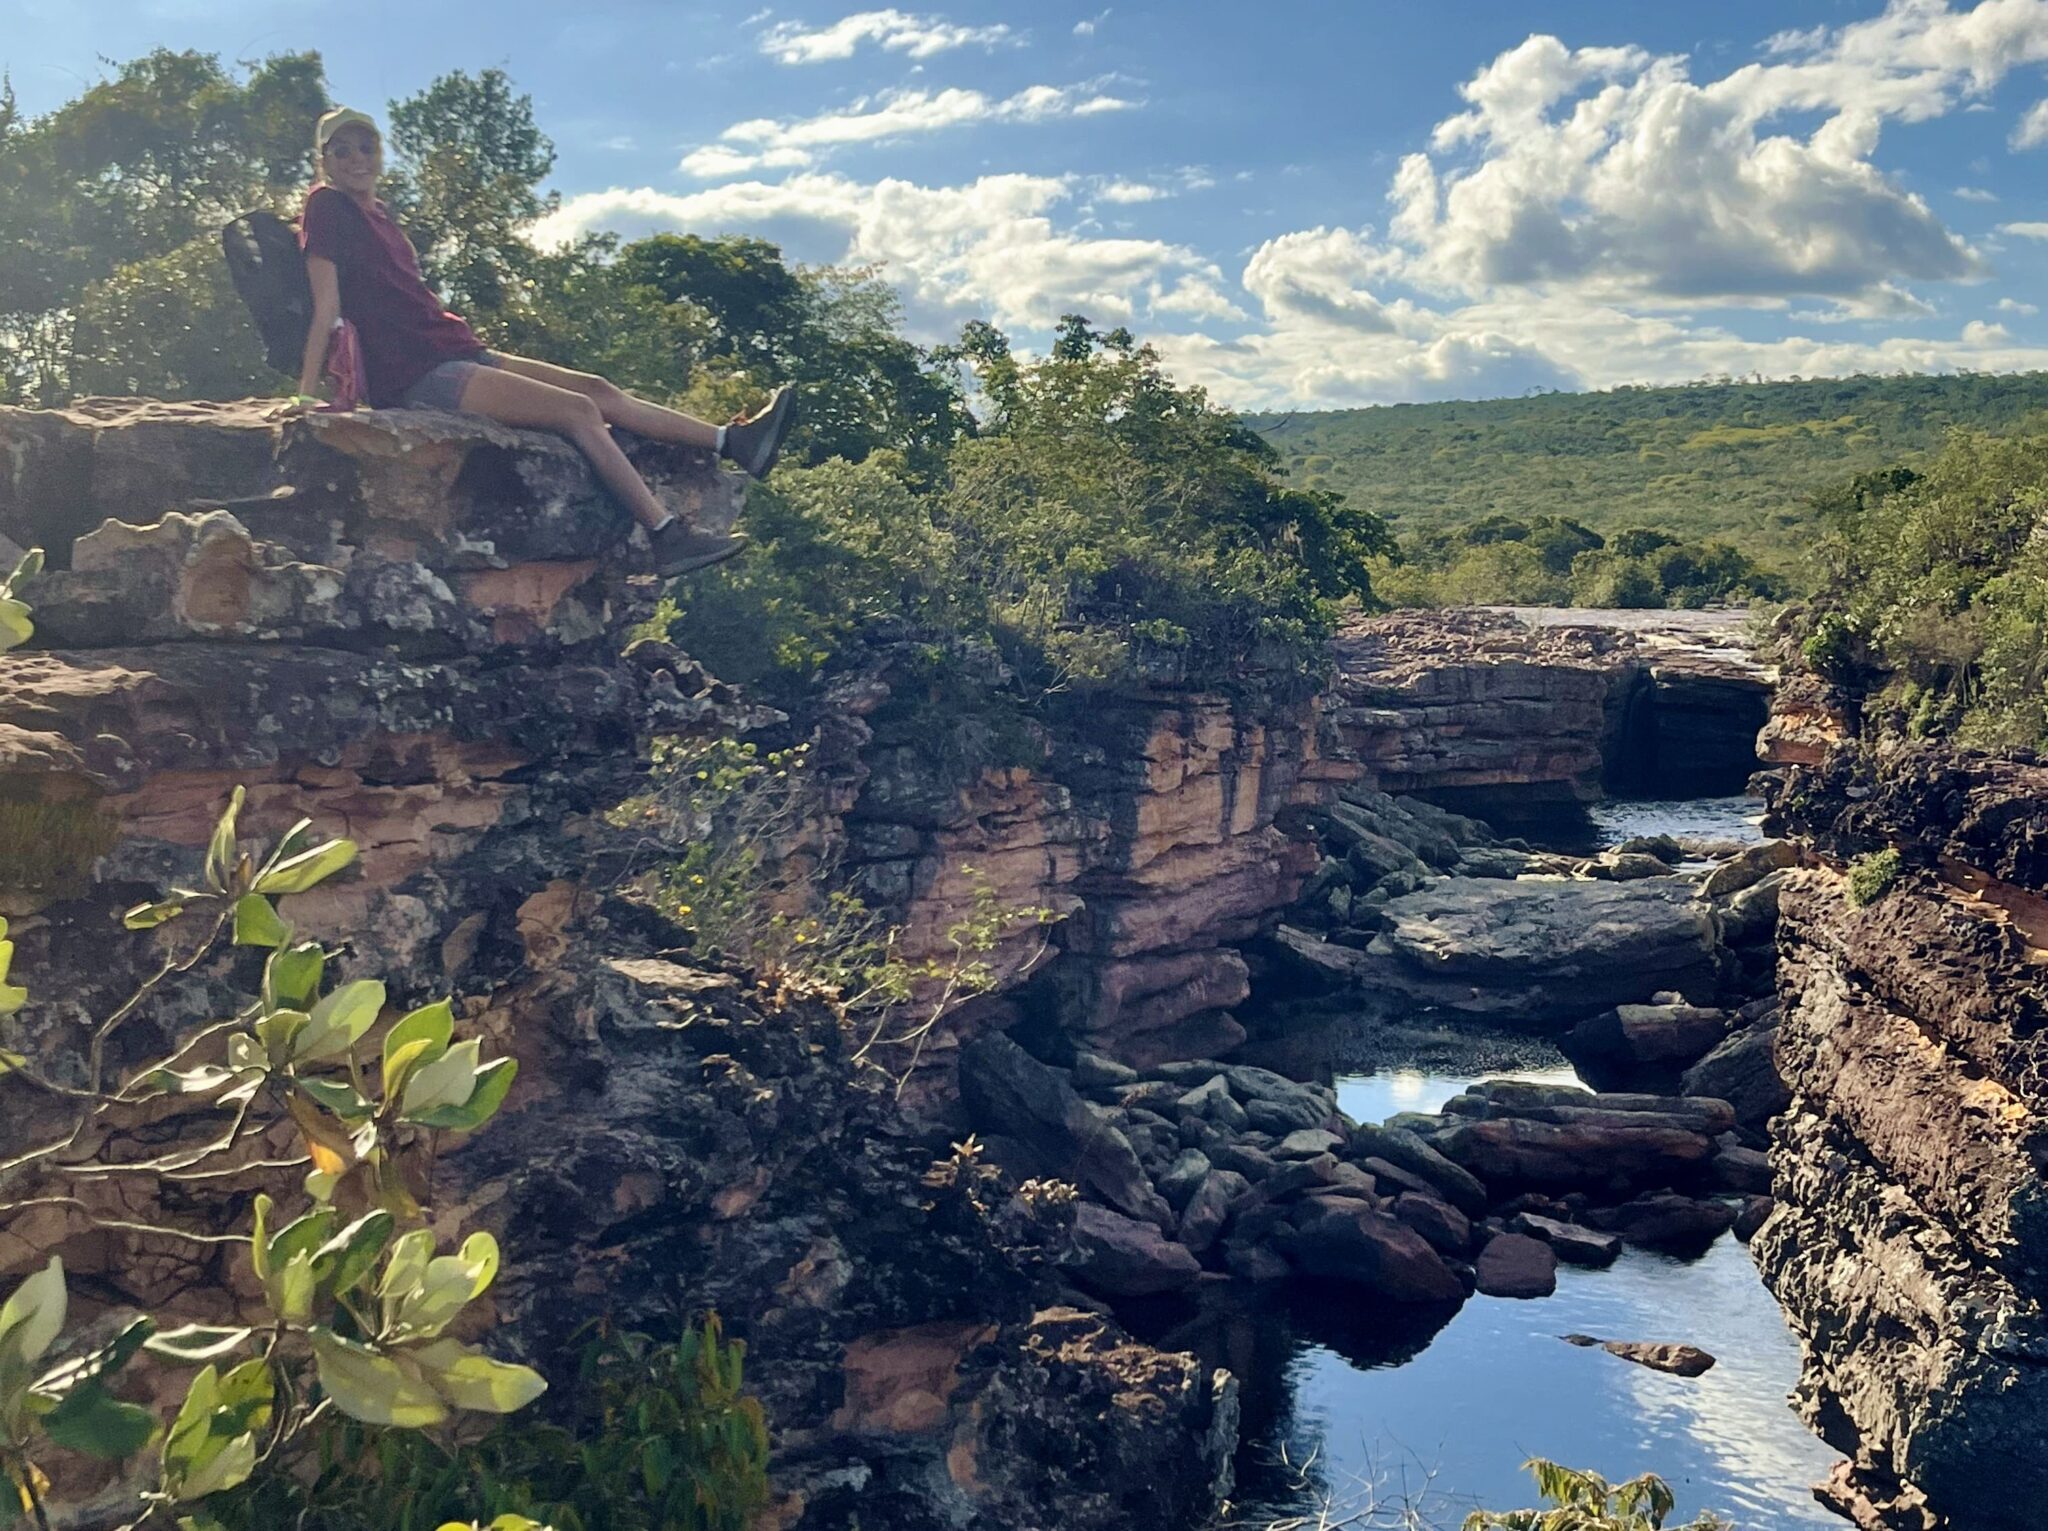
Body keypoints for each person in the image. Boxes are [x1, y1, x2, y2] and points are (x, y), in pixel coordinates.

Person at [290, 107, 789, 576]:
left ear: (379, 153)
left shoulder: (380, 216)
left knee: (597, 389)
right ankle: (665, 536)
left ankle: (734, 442)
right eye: (342, 151)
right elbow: (326, 307)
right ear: (324, 161)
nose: (357, 158)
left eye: (366, 146)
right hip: (417, 373)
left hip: (451, 346)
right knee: (577, 412)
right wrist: (307, 393)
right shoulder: (326, 207)